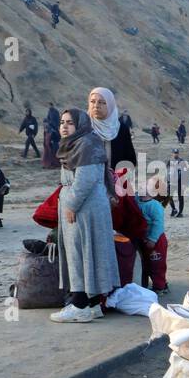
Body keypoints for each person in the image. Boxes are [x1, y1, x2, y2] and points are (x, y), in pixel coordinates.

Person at [51, 109, 118, 322]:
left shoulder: (86, 144)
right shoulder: (78, 143)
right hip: (87, 204)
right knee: (91, 252)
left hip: (83, 206)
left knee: (79, 252)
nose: (64, 126)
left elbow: (86, 179)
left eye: (70, 122)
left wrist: (71, 204)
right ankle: (93, 303)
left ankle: (79, 304)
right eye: (62, 122)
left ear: (80, 124)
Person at [88, 88, 135, 168]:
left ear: (110, 105)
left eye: (102, 102)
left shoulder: (121, 129)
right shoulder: (84, 127)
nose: (96, 106)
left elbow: (130, 159)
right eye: (92, 102)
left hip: (115, 178)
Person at [138, 175, 169, 294]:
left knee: (157, 265)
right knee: (146, 264)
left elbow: (158, 225)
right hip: (145, 239)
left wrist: (152, 239)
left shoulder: (155, 206)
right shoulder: (138, 199)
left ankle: (159, 287)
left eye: (147, 184)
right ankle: (145, 284)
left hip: (156, 241)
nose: (143, 184)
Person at [41, 103, 61, 168]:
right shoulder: (49, 112)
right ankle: (47, 164)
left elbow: (57, 120)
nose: (49, 106)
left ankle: (54, 164)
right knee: (47, 154)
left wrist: (56, 127)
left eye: (50, 105)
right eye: (48, 105)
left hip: (54, 134)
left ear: (52, 105)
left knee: (54, 152)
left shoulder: (56, 112)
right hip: (48, 144)